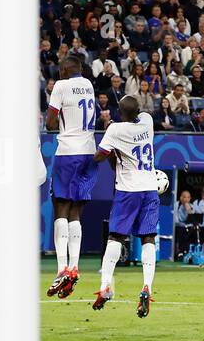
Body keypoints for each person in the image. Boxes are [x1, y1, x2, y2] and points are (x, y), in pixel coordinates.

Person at [90, 95, 158, 318]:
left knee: (115, 237)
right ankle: (147, 285)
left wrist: (86, 158)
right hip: (150, 187)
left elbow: (102, 157)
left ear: (120, 112)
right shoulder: (147, 121)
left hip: (128, 189)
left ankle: (106, 284)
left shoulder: (116, 130)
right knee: (148, 238)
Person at [45, 55, 98, 299]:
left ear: (66, 69)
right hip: (89, 152)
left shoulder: (61, 86)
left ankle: (60, 269)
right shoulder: (88, 84)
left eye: (59, 69)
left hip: (68, 152)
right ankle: (74, 266)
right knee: (76, 210)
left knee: (60, 208)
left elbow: (51, 122)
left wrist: (52, 121)